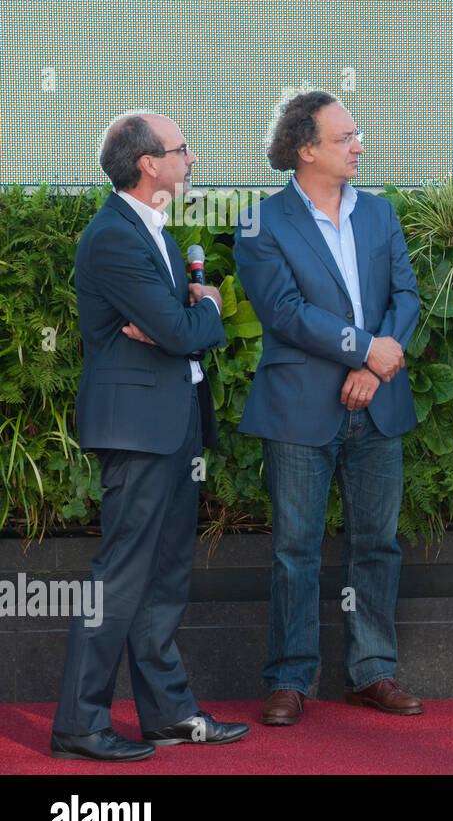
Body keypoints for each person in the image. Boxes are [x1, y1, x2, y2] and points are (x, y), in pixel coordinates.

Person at [52, 112, 249, 761]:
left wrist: (178, 318)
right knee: (122, 577)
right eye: (182, 149)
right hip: (137, 429)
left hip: (171, 424)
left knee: (162, 578)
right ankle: (79, 723)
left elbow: (170, 328)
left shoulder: (154, 235)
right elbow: (182, 331)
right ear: (148, 164)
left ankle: (167, 714)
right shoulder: (115, 236)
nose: (192, 160)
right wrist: (206, 307)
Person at [235, 91, 422, 725]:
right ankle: (290, 678)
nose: (359, 145)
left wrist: (375, 365)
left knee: (377, 543)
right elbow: (283, 312)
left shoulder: (379, 214)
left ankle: (372, 673)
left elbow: (405, 295)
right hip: (298, 408)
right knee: (295, 548)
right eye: (346, 137)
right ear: (306, 149)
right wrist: (366, 350)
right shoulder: (262, 222)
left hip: (378, 404)